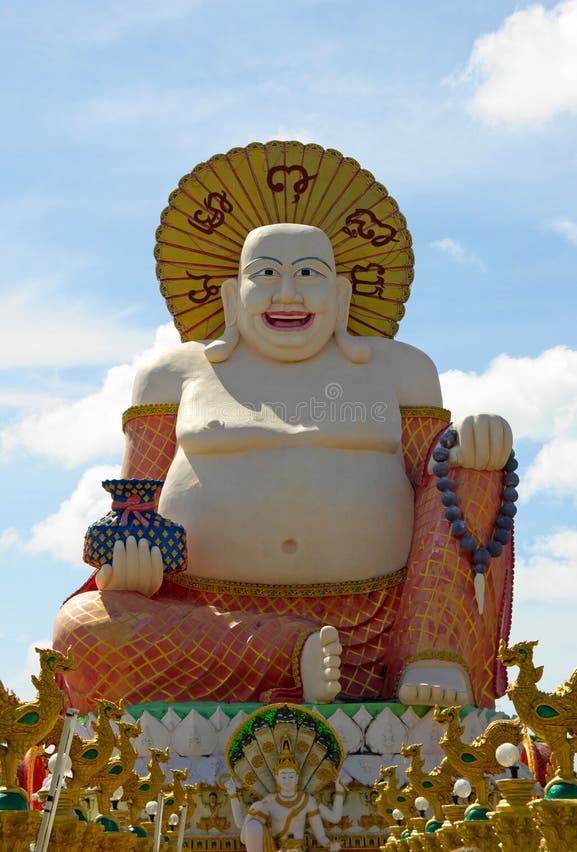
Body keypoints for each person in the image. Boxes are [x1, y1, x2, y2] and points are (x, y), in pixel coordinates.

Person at [53, 146, 514, 713]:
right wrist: (129, 558)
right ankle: (286, 652)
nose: (287, 293)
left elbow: (436, 492)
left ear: (342, 295)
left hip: (379, 631)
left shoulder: (398, 369)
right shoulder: (175, 373)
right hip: (210, 627)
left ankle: (433, 653)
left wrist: (475, 447)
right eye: (265, 275)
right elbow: (135, 502)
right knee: (79, 630)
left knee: (467, 466)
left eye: (309, 275)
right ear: (231, 295)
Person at [224, 737, 343, 852]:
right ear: (277, 778)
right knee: (253, 825)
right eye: (284, 776)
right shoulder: (270, 800)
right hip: (276, 848)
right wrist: (234, 796)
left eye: (291, 776)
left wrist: (339, 791)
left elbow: (333, 820)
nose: (287, 780)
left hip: (299, 849)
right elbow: (243, 828)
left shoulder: (307, 800)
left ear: (297, 778)